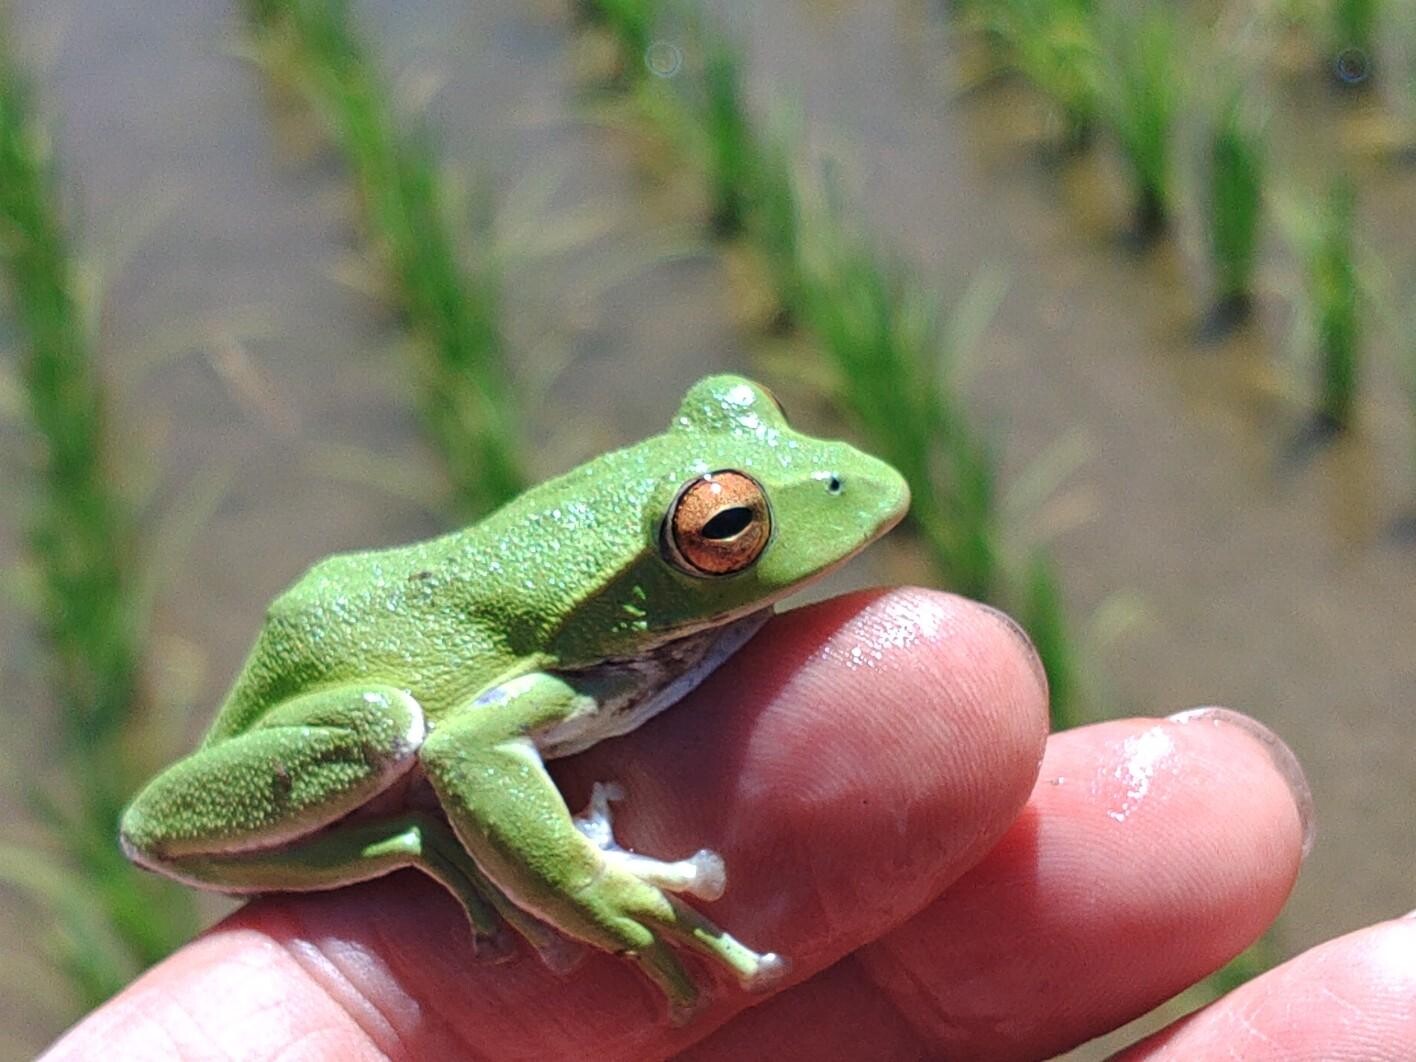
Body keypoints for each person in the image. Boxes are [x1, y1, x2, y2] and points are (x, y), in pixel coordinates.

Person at [42, 589, 1416, 1060]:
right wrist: (576, 872)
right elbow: (468, 738)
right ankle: (386, 836)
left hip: (377, 629)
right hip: (351, 712)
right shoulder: (546, 662)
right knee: (409, 735)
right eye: (725, 528)